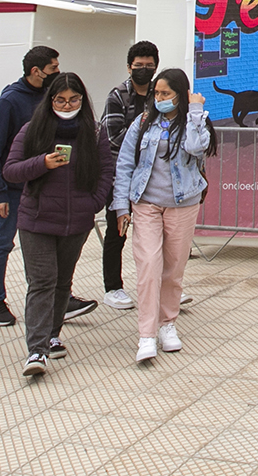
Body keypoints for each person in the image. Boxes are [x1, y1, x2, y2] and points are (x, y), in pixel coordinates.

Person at [2, 73, 113, 377]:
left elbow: (106, 171)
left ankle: (52, 333)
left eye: (73, 99)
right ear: (50, 101)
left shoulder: (93, 131)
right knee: (42, 282)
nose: (67, 105)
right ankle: (36, 350)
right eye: (61, 99)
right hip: (36, 220)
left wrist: (93, 203)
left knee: (63, 281)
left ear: (82, 100)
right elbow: (10, 170)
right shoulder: (33, 129)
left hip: (76, 221)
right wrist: (42, 163)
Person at [0, 46, 92, 327]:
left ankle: (57, 299)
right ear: (36, 71)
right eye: (53, 68)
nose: (58, 72)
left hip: (46, 189)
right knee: (2, 242)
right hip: (15, 188)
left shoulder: (50, 97)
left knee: (49, 253)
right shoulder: (10, 100)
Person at [114, 68, 214, 363]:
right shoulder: (143, 123)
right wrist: (121, 205)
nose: (159, 99)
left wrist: (196, 109)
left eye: (166, 94)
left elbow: (198, 148)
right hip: (145, 203)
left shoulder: (196, 122)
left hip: (183, 204)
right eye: (156, 94)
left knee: (173, 268)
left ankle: (167, 324)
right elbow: (124, 164)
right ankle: (146, 334)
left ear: (180, 96)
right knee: (148, 266)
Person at [100, 41, 159, 312]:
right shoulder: (117, 96)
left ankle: (160, 286)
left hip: (152, 176)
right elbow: (113, 136)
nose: (144, 71)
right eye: (139, 66)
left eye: (149, 66)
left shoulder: (160, 93)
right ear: (129, 67)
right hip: (119, 174)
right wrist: (148, 138)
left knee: (157, 234)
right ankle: (113, 287)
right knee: (117, 231)